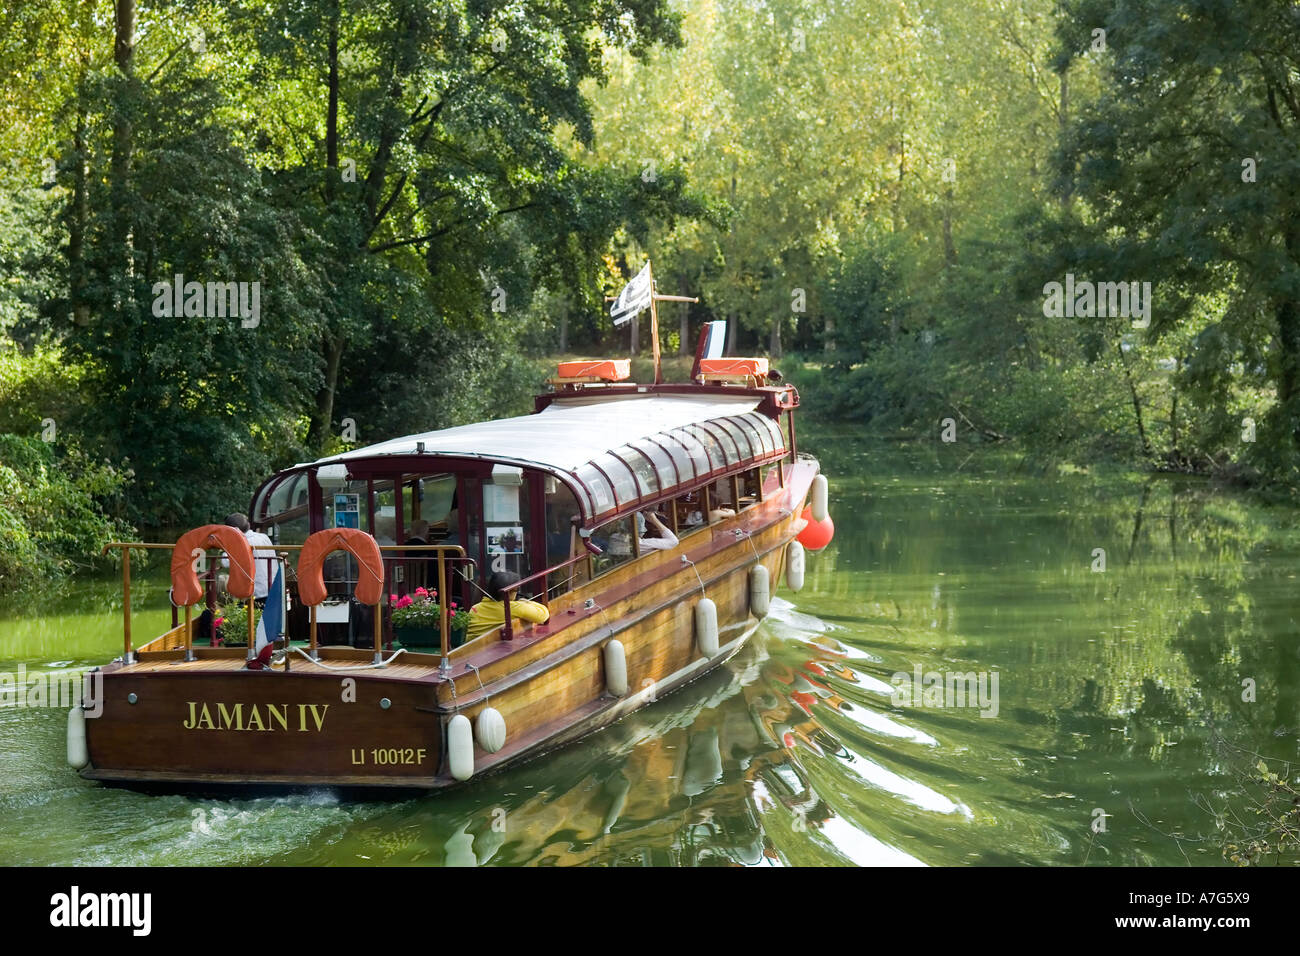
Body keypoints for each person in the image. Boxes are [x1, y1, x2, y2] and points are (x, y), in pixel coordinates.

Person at [465, 570, 549, 642]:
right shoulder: (511, 608)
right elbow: (543, 615)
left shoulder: (475, 608)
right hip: (491, 649)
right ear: (509, 592)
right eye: (517, 589)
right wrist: (527, 602)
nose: (517, 592)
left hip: (470, 648)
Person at [223, 512, 275, 602]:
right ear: (249, 525)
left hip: (257, 594)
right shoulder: (264, 537)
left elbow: (225, 562)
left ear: (233, 530)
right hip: (273, 587)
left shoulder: (241, 543)